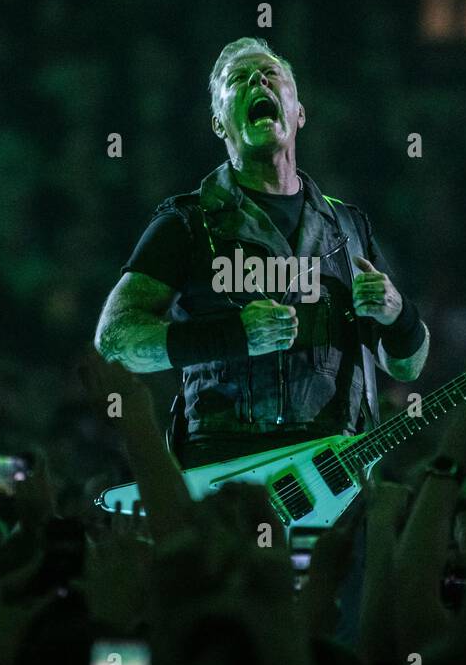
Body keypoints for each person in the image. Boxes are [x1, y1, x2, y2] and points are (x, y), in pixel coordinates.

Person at [93, 37, 430, 472]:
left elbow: (408, 367)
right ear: (219, 124)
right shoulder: (187, 224)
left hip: (334, 478)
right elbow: (115, 341)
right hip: (226, 476)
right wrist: (232, 336)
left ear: (299, 113)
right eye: (239, 79)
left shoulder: (347, 227)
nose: (257, 80)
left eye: (271, 75)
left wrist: (396, 311)